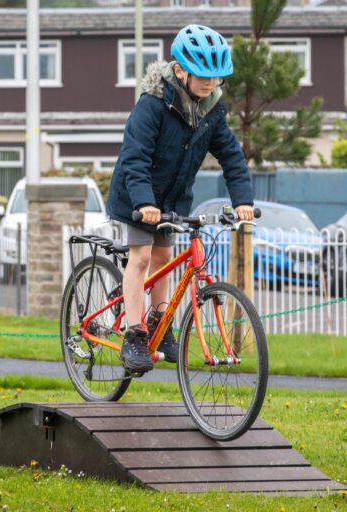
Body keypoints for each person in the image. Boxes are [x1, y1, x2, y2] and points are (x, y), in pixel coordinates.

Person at [106, 24, 255, 373]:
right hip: (136, 196)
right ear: (179, 70)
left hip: (171, 200)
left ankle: (161, 322)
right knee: (142, 258)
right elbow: (135, 156)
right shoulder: (152, 105)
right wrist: (144, 203)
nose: (210, 83)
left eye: (216, 77)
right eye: (203, 76)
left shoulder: (212, 111)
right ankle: (134, 334)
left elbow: (231, 156)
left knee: (164, 259)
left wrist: (242, 199)